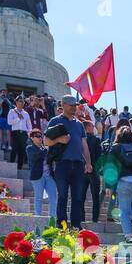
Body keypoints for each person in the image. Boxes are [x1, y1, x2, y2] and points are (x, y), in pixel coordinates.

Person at [46, 95, 92, 227]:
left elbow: (84, 145)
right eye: (71, 105)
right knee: (62, 196)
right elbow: (46, 141)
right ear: (63, 104)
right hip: (62, 164)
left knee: (78, 198)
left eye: (75, 105)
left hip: (78, 164)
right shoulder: (55, 121)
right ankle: (61, 226)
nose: (73, 107)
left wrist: (88, 163)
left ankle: (76, 226)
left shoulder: (79, 124)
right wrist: (58, 140)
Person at [27, 127, 58, 218]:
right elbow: (36, 157)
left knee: (53, 198)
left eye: (41, 136)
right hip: (37, 176)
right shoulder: (30, 148)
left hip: (49, 176)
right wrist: (47, 149)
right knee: (38, 198)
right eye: (37, 136)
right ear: (32, 138)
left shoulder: (46, 149)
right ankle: (38, 218)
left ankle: (52, 218)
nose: (40, 138)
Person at [8, 96, 32, 171]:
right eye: (20, 101)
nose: (21, 103)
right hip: (15, 133)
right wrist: (18, 118)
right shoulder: (12, 111)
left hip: (24, 134)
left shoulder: (26, 113)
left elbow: (29, 125)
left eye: (23, 102)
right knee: (14, 149)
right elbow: (9, 122)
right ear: (16, 102)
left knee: (22, 151)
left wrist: (29, 134)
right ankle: (11, 166)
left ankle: (19, 168)